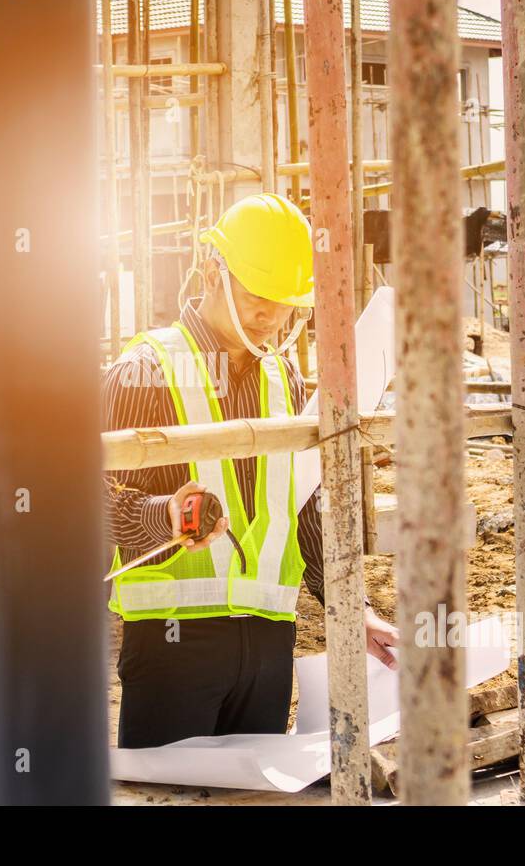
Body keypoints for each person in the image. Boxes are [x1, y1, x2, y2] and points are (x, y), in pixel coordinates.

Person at [103, 192, 399, 749]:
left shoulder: (280, 379)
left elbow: (300, 501)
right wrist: (163, 516)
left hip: (268, 643)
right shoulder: (145, 369)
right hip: (174, 645)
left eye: (285, 301)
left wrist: (348, 605)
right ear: (215, 273)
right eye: (256, 296)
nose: (270, 315)